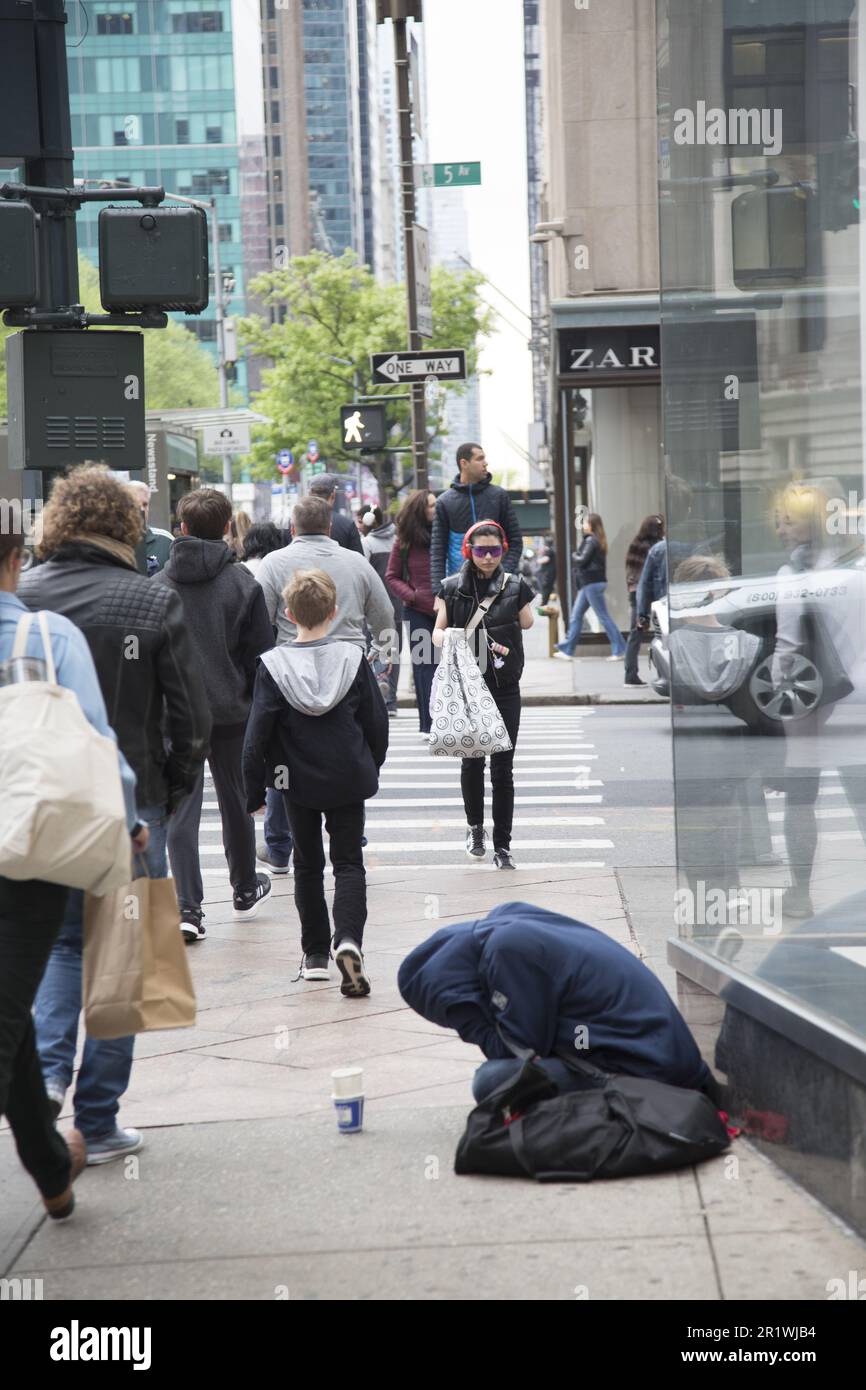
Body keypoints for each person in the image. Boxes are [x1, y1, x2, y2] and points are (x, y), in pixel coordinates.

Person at [19, 465, 210, 1164]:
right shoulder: (150, 600)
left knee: (62, 948)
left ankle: (43, 1078)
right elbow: (190, 715)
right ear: (126, 526)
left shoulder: (26, 594)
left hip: (41, 800)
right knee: (123, 961)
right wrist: (172, 787)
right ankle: (97, 1121)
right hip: (134, 804)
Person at [0, 525, 143, 1219]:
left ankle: (53, 1171)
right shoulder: (44, 637)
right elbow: (92, 737)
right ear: (13, 560)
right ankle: (63, 1156)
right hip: (28, 848)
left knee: (14, 1023)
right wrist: (130, 816)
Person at [397, 902, 720, 1105]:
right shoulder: (508, 921)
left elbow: (519, 1051)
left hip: (653, 1071)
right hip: (662, 1052)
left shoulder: (507, 952)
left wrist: (474, 1025)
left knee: (490, 1081)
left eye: (452, 1015)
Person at [243, 569, 388, 991]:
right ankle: (349, 940)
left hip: (294, 780)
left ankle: (315, 954)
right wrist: (369, 765)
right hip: (346, 774)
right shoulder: (352, 659)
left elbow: (256, 737)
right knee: (348, 862)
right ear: (334, 610)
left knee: (307, 865)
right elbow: (375, 723)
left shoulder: (273, 666)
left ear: (288, 614)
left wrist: (255, 790)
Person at [253, 495, 396, 875]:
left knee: (286, 752)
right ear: (331, 528)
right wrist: (381, 663)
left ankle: (281, 846)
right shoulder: (356, 563)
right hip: (350, 670)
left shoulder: (273, 563)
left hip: (290, 667)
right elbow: (384, 617)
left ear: (292, 529)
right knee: (351, 747)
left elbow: (258, 621)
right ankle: (351, 838)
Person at [156, 489, 275, 939]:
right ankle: (244, 887)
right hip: (231, 712)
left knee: (180, 812)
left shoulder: (158, 588)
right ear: (227, 527)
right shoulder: (243, 583)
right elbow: (260, 659)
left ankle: (189, 908)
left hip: (176, 716)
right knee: (236, 802)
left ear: (181, 528)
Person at [434, 520, 536, 870]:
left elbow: (528, 622)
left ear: (502, 549)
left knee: (503, 768)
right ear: (469, 551)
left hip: (505, 685)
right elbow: (437, 631)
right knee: (473, 760)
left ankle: (503, 845)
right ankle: (475, 828)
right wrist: (451, 637)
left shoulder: (516, 585)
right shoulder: (450, 588)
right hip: (468, 686)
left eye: (494, 550)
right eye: (481, 550)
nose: (489, 557)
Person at [430, 443, 523, 591]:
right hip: (459, 589)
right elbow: (437, 551)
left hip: (500, 589)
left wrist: (503, 576)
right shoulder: (444, 502)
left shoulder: (499, 496)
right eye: (479, 459)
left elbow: (516, 542)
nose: (485, 463)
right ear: (464, 463)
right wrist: (438, 592)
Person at [385, 489, 437, 736]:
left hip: (450, 610)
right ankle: (428, 724)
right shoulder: (404, 542)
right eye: (431, 506)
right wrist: (413, 595)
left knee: (455, 665)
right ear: (419, 510)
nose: (436, 510)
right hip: (418, 612)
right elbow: (392, 576)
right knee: (424, 667)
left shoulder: (444, 535)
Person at [554, 512, 626, 661]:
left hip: (591, 583)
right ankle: (568, 649)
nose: (584, 525)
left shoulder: (591, 541)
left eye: (586, 522)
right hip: (591, 583)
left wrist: (574, 555)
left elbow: (582, 560)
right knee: (576, 616)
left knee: (602, 616)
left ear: (592, 525)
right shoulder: (597, 540)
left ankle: (619, 649)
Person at [362, 505, 403, 717]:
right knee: (394, 651)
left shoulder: (366, 544)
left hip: (374, 607)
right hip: (397, 604)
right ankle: (391, 701)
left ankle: (379, 693)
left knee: (376, 648)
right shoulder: (398, 541)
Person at [623, 514, 665, 686]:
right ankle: (634, 675)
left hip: (637, 593)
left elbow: (631, 572)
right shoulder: (654, 547)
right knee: (658, 631)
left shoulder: (637, 543)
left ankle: (631, 674)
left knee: (637, 633)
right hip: (647, 593)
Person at [306, 472, 364, 554]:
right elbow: (359, 561)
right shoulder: (347, 525)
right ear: (333, 495)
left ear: (309, 494)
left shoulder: (296, 523)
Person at [127, 480, 174, 576]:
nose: (142, 510)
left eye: (145, 504)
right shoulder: (111, 542)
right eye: (134, 504)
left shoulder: (165, 540)